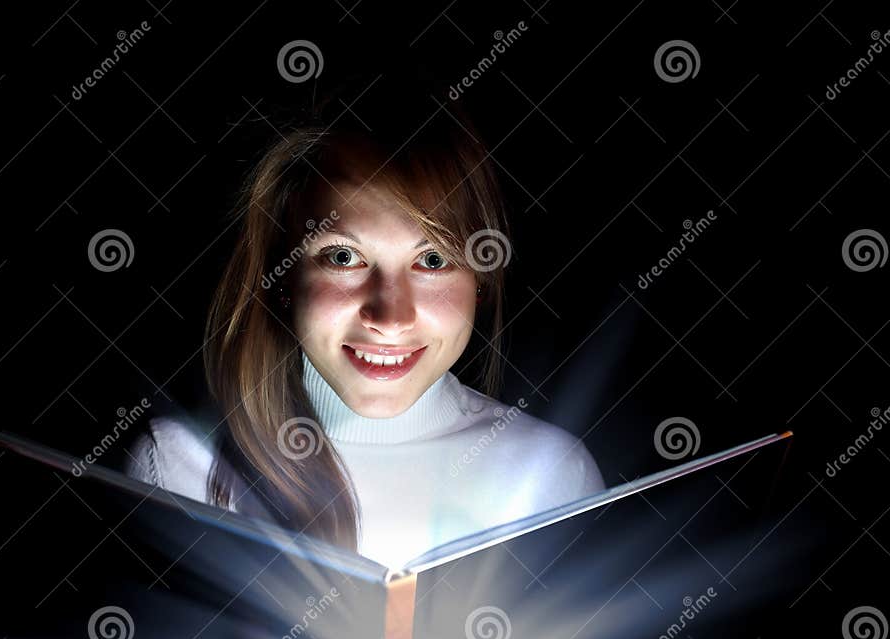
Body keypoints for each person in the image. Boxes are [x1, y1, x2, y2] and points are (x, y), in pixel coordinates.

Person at [124, 74, 605, 575]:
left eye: (434, 261)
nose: (390, 316)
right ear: (283, 275)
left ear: (480, 280)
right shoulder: (178, 467)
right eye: (343, 256)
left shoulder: (552, 479)